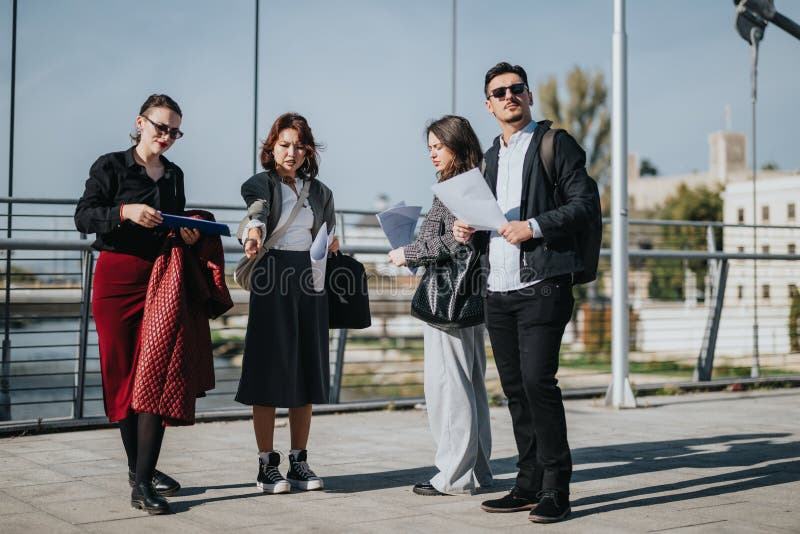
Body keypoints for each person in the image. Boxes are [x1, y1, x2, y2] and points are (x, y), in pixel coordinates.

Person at [453, 62, 601, 523]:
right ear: (489, 105)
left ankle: (557, 489)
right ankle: (528, 482)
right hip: (498, 289)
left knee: (539, 383)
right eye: (499, 93)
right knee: (516, 390)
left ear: (529, 96)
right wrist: (468, 230)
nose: (509, 96)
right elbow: (491, 225)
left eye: (516, 89)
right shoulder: (489, 160)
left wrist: (533, 226)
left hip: (542, 284)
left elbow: (585, 204)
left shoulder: (556, 145)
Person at [75, 94, 208, 515]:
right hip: (115, 280)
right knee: (121, 378)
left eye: (174, 131)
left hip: (161, 280)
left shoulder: (174, 175)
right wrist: (125, 211)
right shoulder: (110, 165)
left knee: (155, 374)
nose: (167, 136)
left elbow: (173, 223)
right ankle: (140, 471)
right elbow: (83, 217)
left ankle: (142, 481)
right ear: (140, 122)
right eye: (161, 127)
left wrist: (187, 233)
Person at [388, 115, 493, 497]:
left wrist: (407, 252)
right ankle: (477, 471)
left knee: (448, 387)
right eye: (429, 148)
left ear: (457, 145)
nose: (432, 154)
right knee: (471, 384)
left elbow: (452, 242)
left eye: (438, 146)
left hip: (448, 298)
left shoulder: (456, 186)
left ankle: (453, 476)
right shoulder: (478, 180)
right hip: (471, 295)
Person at [236, 112, 339, 494]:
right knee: (268, 369)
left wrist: (332, 243)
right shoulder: (260, 183)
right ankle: (266, 465)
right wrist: (253, 233)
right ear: (272, 148)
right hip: (272, 276)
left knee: (307, 369)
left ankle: (299, 461)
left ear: (308, 149)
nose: (291, 152)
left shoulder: (321, 192)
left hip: (310, 279)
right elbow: (257, 211)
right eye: (284, 145)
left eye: (298, 145)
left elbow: (328, 232)